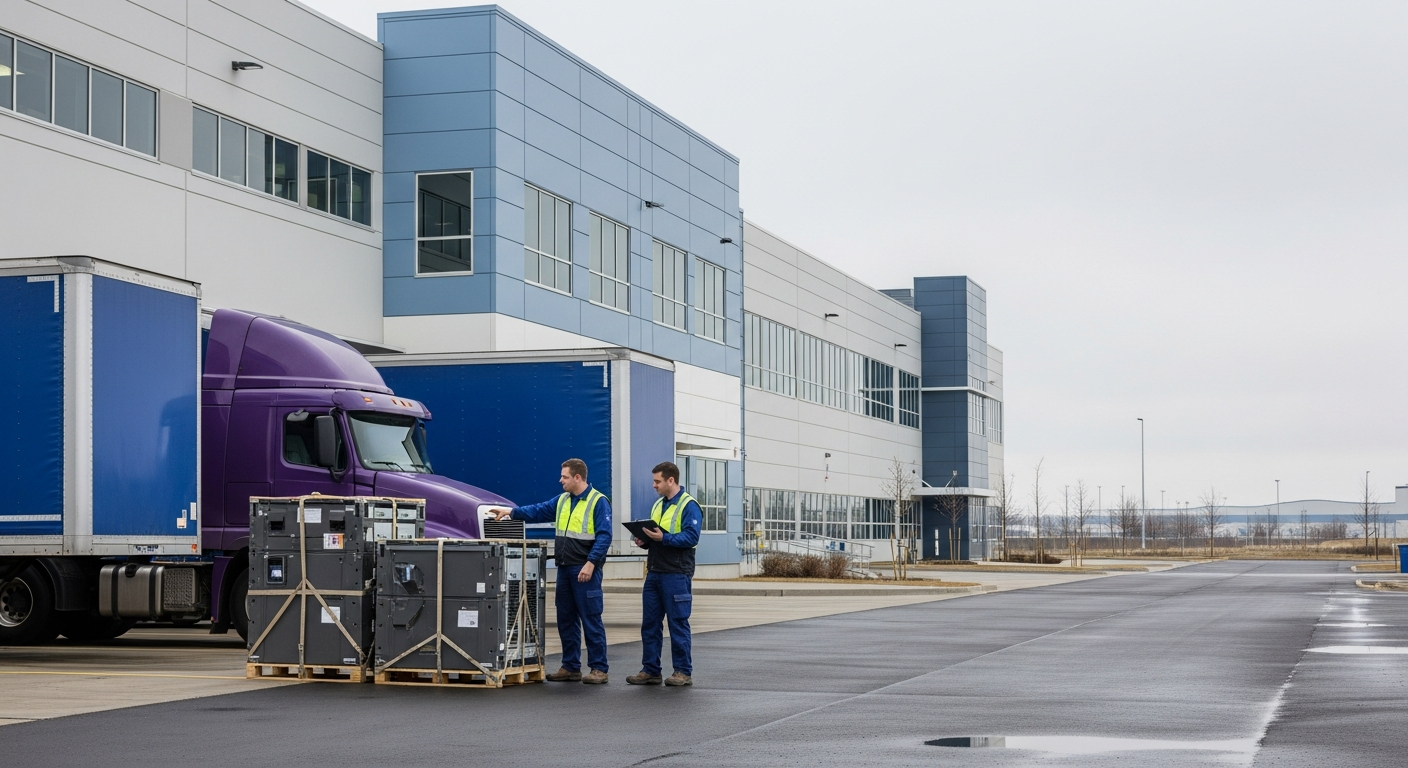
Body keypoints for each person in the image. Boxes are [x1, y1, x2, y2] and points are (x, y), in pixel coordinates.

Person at [489, 458, 611, 684]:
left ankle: (599, 668)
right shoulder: (564, 500)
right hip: (565, 568)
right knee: (566, 619)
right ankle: (571, 666)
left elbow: (604, 536)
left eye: (564, 476)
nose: (560, 480)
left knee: (591, 618)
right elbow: (539, 511)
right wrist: (511, 512)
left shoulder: (598, 502)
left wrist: (591, 563)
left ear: (577, 477)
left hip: (584, 570)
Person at [627, 461, 701, 687]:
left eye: (657, 481)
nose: (653, 485)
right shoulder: (658, 505)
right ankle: (651, 670)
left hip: (676, 573)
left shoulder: (689, 505)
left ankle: (682, 672)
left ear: (671, 480)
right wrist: (644, 541)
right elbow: (656, 537)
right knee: (649, 624)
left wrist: (663, 538)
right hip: (655, 571)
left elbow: (691, 537)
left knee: (678, 623)